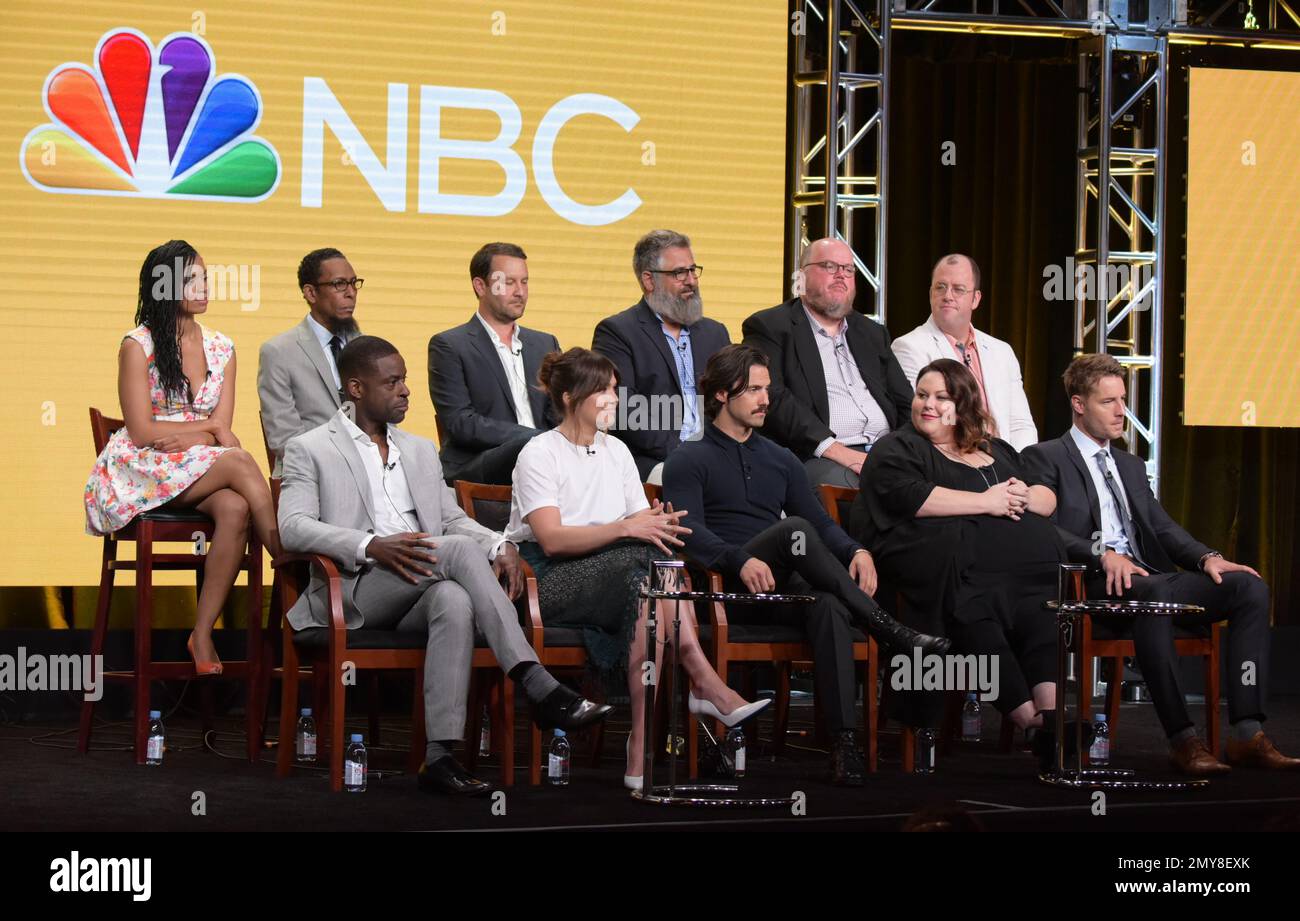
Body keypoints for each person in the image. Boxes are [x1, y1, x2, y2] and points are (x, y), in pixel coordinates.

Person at [278, 336, 611, 797]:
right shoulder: (310, 448)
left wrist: (499, 546)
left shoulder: (416, 450)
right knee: (454, 551)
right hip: (355, 590)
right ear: (356, 388)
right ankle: (537, 683)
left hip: (420, 581)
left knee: (454, 600)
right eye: (391, 382)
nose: (405, 391)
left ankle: (439, 756)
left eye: (405, 380)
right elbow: (293, 527)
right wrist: (371, 546)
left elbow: (452, 518)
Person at [664, 344, 948, 786]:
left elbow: (821, 524)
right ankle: (887, 629)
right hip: (725, 589)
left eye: (767, 389)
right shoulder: (688, 458)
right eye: (753, 390)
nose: (765, 399)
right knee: (790, 530)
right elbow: (689, 533)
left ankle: (842, 745)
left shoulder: (781, 459)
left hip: (777, 587)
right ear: (721, 394)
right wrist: (740, 558)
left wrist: (856, 551)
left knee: (829, 605)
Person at [504, 348, 769, 790]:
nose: (614, 399)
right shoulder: (540, 452)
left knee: (649, 577)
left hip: (624, 576)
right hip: (551, 579)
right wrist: (628, 527)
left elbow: (638, 530)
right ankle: (701, 680)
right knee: (647, 569)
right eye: (603, 392)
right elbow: (551, 538)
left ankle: (641, 744)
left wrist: (658, 524)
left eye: (614, 390)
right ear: (570, 397)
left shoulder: (618, 451)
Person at [1022, 353, 1299, 773]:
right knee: (1152, 594)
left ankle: (1247, 733)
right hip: (1094, 585)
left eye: (1123, 400)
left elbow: (1162, 527)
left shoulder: (1130, 465)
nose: (1121, 412)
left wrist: (1208, 557)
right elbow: (1042, 529)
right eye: (1108, 402)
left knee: (1249, 589)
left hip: (1150, 578)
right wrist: (1102, 554)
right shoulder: (1045, 457)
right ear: (1078, 404)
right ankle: (1183, 739)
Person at [851, 358, 1067, 759]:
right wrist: (986, 502)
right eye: (921, 395)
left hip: (1025, 576)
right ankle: (1031, 723)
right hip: (952, 577)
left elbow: (1048, 499)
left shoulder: (996, 450)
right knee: (975, 606)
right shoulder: (897, 448)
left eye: (941, 397)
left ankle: (1052, 718)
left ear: (964, 405)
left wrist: (1024, 496)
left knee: (1043, 611)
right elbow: (909, 497)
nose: (927, 405)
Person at [85, 240, 282, 675]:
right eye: (192, 279)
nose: (205, 286)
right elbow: (142, 430)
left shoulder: (223, 348)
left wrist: (204, 434)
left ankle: (202, 631)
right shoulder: (138, 346)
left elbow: (223, 424)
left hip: (197, 465)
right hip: (143, 467)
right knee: (239, 460)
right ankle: (287, 561)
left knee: (234, 507)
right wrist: (206, 430)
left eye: (206, 277)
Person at [742, 237, 912, 488]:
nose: (841, 275)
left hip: (885, 453)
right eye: (830, 267)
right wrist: (839, 452)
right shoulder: (771, 327)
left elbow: (906, 402)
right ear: (801, 277)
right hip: (820, 455)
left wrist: (906, 449)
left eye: (848, 269)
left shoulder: (872, 333)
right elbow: (773, 399)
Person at [592, 229, 730, 482]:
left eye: (693, 270)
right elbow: (622, 404)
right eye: (679, 273)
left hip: (717, 455)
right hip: (653, 459)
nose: (691, 280)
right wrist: (684, 453)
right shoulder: (618, 332)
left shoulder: (715, 333)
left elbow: (731, 400)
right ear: (649, 280)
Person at [428, 242, 560, 484]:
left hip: (547, 459)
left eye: (525, 281)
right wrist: (535, 439)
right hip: (480, 463)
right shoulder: (449, 345)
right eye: (509, 283)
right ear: (480, 286)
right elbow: (460, 422)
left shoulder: (545, 343)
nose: (520, 292)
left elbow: (559, 412)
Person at [891, 253, 1037, 449]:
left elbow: (1021, 425)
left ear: (975, 299)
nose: (948, 296)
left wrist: (1018, 467)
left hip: (1006, 461)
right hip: (954, 459)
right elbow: (927, 423)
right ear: (930, 294)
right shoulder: (909, 347)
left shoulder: (1002, 351)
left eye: (958, 289)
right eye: (940, 287)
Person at [258, 247, 364, 474]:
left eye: (354, 283)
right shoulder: (278, 351)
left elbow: (385, 419)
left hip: (370, 468)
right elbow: (284, 437)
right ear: (311, 293)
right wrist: (342, 465)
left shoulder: (366, 347)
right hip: (310, 472)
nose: (351, 292)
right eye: (339, 284)